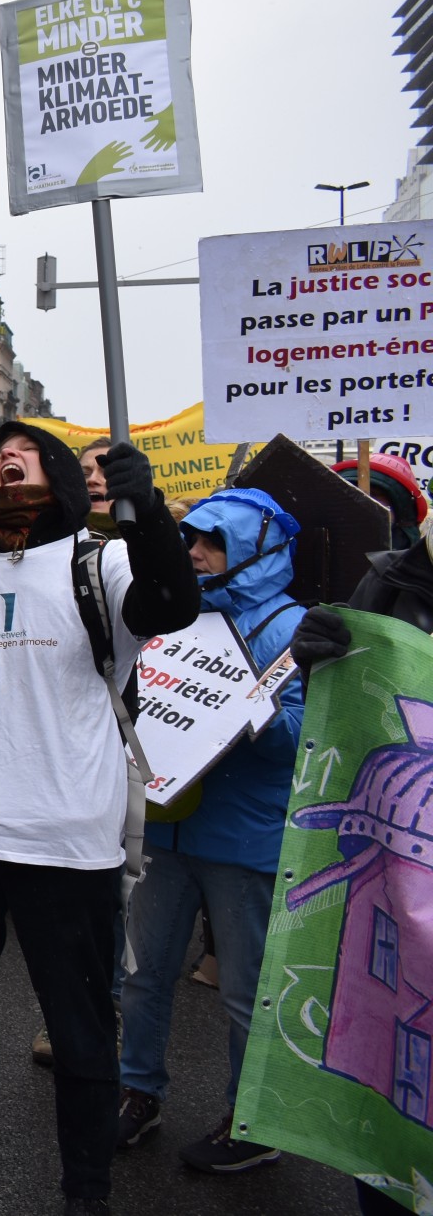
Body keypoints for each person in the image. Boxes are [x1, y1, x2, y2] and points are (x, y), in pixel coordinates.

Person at [0, 422, 199, 1216]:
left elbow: (175, 602)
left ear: (60, 477)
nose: (6, 463)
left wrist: (147, 508)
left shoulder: (101, 566)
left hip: (68, 840)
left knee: (79, 1036)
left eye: (23, 456)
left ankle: (85, 1194)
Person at [115, 488, 303, 1174]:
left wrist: (247, 709)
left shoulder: (292, 626)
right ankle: (137, 1090)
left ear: (256, 547)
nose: (194, 551)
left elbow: (297, 744)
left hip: (244, 839)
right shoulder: (177, 612)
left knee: (245, 992)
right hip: (167, 830)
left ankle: (255, 1118)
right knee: (145, 975)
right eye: (190, 537)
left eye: (213, 540)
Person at [291, 510, 433, 1216]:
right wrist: (323, 663)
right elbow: (352, 709)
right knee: (391, 1140)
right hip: (410, 882)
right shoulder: (391, 581)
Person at [331, 453, 427, 550]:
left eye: (373, 495)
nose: (359, 502)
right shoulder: (323, 552)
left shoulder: (417, 562)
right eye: (351, 494)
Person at [79, 439, 117, 538]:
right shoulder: (57, 540)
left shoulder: (156, 536)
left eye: (107, 472)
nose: (92, 479)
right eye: (85, 474)